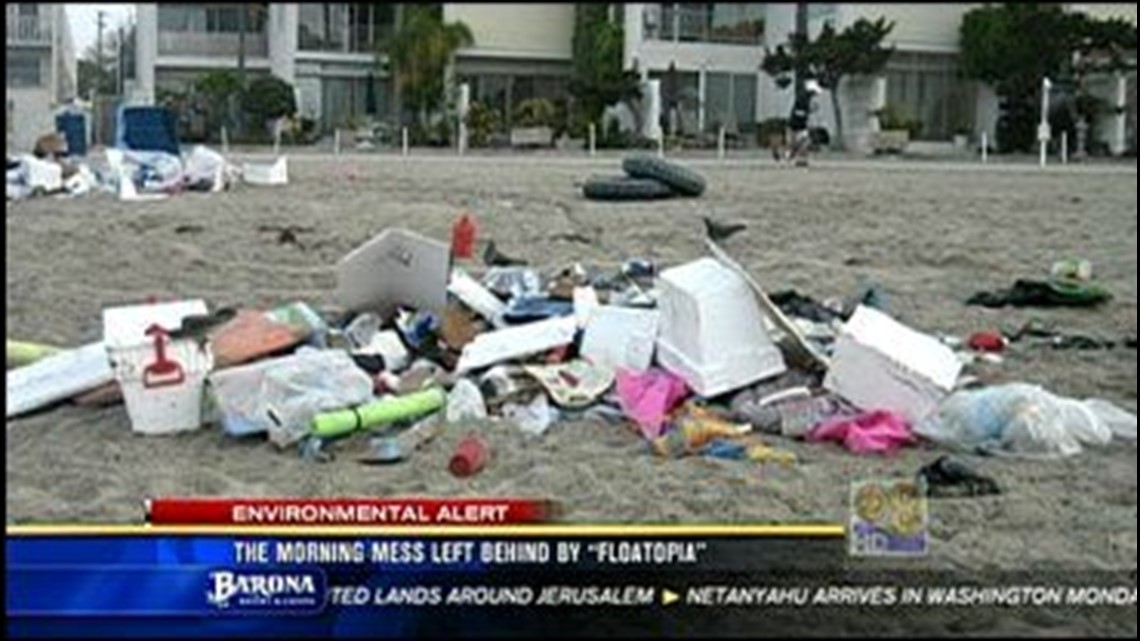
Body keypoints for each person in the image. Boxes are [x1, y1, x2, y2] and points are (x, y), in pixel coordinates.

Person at [779, 80, 822, 167]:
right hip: (794, 126)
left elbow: (803, 112)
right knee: (794, 144)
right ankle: (789, 157)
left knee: (804, 142)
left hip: (801, 126)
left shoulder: (807, 98)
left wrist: (809, 112)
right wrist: (809, 111)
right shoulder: (802, 99)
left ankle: (800, 159)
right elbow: (799, 112)